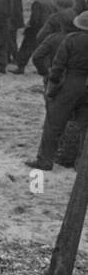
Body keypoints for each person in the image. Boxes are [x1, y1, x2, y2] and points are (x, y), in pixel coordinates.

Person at [27, 11, 88, 170]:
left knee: (53, 124)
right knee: (83, 126)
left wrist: (53, 83)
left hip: (70, 83)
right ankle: (80, 164)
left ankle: (45, 160)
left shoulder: (71, 40)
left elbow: (58, 65)